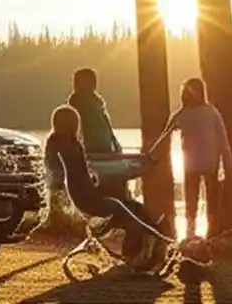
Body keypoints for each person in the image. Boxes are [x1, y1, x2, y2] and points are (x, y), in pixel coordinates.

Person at [44, 104, 158, 264]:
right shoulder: (70, 146)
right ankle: (135, 251)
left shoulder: (56, 144)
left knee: (129, 208)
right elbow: (77, 174)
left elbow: (74, 174)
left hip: (83, 194)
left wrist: (94, 180)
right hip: (88, 197)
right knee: (130, 211)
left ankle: (136, 247)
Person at [157, 77, 232, 239]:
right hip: (203, 163)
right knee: (203, 202)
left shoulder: (187, 114)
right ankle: (205, 234)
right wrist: (228, 165)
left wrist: (151, 154)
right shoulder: (207, 112)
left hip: (197, 164)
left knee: (196, 202)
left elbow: (164, 137)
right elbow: (223, 140)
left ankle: (199, 234)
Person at [67, 68, 122, 155]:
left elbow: (107, 126)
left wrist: (116, 145)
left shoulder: (98, 104)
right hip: (89, 150)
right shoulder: (76, 105)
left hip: (105, 149)